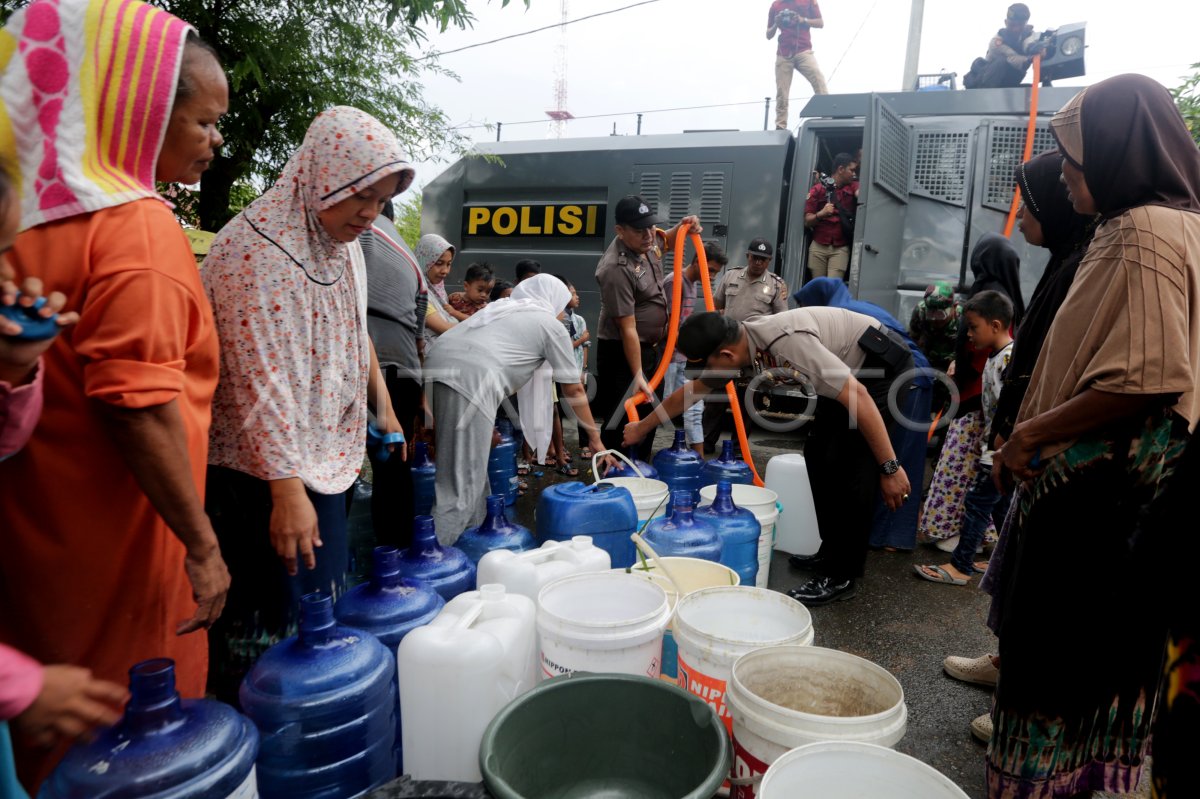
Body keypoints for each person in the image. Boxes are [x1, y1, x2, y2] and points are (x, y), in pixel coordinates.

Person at [0, 2, 232, 786]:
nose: (216, 141)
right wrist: (201, 545)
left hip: (36, 546)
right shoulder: (133, 227)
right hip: (129, 555)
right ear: (135, 112)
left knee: (48, 755)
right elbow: (136, 402)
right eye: (203, 122)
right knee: (139, 749)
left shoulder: (19, 219)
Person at [988, 73, 1200, 798]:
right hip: (1135, 511)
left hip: (1095, 501)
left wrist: (1026, 438)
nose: (1066, 174)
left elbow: (1144, 375)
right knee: (1108, 669)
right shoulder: (1181, 223)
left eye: (1075, 157)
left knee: (1051, 661)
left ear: (1117, 152)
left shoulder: (1142, 229)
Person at [202, 106, 412, 705]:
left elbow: (352, 326)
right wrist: (286, 493)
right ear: (322, 176)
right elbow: (254, 381)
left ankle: (314, 712)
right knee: (272, 623)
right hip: (264, 476)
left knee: (321, 610)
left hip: (326, 457)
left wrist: (384, 405)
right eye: (359, 196)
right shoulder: (255, 250)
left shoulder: (342, 242)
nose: (369, 213)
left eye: (381, 199)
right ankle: (266, 734)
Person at [945, 149, 1097, 745]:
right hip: (1025, 447)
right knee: (1014, 573)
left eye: (1029, 204)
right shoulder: (1066, 260)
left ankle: (1028, 707)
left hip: (1054, 454)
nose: (1022, 218)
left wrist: (1027, 436)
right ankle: (1009, 667)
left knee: (1045, 590)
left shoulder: (1092, 261)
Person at [625, 310, 915, 605]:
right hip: (850, 369)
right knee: (819, 453)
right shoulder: (742, 344)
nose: (706, 375)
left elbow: (860, 397)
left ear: (725, 354)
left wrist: (889, 468)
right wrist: (642, 427)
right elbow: (692, 392)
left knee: (851, 466)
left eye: (707, 366)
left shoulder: (789, 345)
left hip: (880, 368)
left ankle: (841, 575)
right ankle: (830, 553)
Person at [424, 274, 611, 542]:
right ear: (552, 301)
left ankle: (474, 545)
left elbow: (487, 356)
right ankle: (433, 567)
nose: (563, 315)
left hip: (439, 366)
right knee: (459, 488)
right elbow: (574, 389)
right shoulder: (548, 324)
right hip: (468, 379)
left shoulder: (501, 310)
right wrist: (595, 439)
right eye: (563, 308)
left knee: (474, 476)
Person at [794, 277, 934, 552]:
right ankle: (876, 532)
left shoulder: (845, 314)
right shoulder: (850, 307)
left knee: (893, 458)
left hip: (909, 383)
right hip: (897, 380)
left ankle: (890, 536)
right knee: (884, 456)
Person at [915, 291, 1013, 585]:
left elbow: (1016, 405)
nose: (968, 334)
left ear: (995, 326)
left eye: (973, 327)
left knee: (978, 504)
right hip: (993, 449)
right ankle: (1004, 562)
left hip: (996, 451)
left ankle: (961, 566)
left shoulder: (1008, 359)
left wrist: (1000, 445)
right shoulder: (996, 357)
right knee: (1001, 507)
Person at [593, 195, 700, 458]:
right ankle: (612, 477)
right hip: (623, 354)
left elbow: (668, 240)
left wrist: (686, 225)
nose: (649, 235)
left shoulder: (646, 245)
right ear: (620, 231)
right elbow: (627, 328)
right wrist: (638, 373)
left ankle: (640, 469)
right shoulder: (616, 268)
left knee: (649, 415)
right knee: (621, 418)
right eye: (640, 230)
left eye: (650, 227)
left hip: (651, 351)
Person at [361, 201, 428, 550]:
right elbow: (419, 334)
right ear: (394, 214)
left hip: (359, 357)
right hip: (403, 368)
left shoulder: (358, 229)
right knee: (394, 466)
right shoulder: (411, 260)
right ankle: (396, 553)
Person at [703, 237, 786, 452]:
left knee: (748, 403)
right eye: (755, 257)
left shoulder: (776, 285)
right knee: (715, 400)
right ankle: (706, 444)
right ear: (748, 256)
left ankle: (738, 451)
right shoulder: (731, 276)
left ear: (769, 262)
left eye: (764, 259)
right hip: (727, 348)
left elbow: (781, 321)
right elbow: (716, 306)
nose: (759, 262)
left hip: (754, 352)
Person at [665, 242, 728, 455]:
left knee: (693, 408)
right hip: (670, 358)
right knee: (676, 408)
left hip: (681, 357)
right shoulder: (676, 282)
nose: (711, 276)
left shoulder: (690, 283)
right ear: (695, 261)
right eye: (710, 270)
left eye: (715, 273)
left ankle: (696, 458)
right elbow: (669, 324)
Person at [768, 0, 829, 130]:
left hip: (803, 50)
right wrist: (776, 24)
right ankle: (780, 127)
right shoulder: (776, 5)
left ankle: (827, 115)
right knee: (782, 92)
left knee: (818, 79)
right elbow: (768, 34)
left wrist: (803, 20)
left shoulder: (809, 1)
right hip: (783, 54)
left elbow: (820, 22)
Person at [963, 3, 1047, 90]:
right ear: (1006, 23)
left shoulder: (1028, 34)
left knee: (1030, 90)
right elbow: (1012, 58)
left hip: (1009, 82)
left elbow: (1028, 42)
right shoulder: (997, 42)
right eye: (1012, 25)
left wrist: (1034, 48)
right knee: (1002, 62)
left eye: (1020, 25)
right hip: (987, 81)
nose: (1016, 29)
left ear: (1025, 24)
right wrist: (1029, 59)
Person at [804, 154, 858, 280]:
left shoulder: (853, 186)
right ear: (840, 169)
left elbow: (861, 192)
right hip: (818, 247)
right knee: (818, 290)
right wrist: (821, 214)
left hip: (840, 248)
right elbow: (807, 221)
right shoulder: (817, 189)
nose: (854, 174)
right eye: (851, 170)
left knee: (832, 290)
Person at [418, 233, 459, 337]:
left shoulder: (438, 290)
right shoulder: (419, 293)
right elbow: (444, 328)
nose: (445, 271)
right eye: (439, 263)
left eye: (448, 264)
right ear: (424, 260)